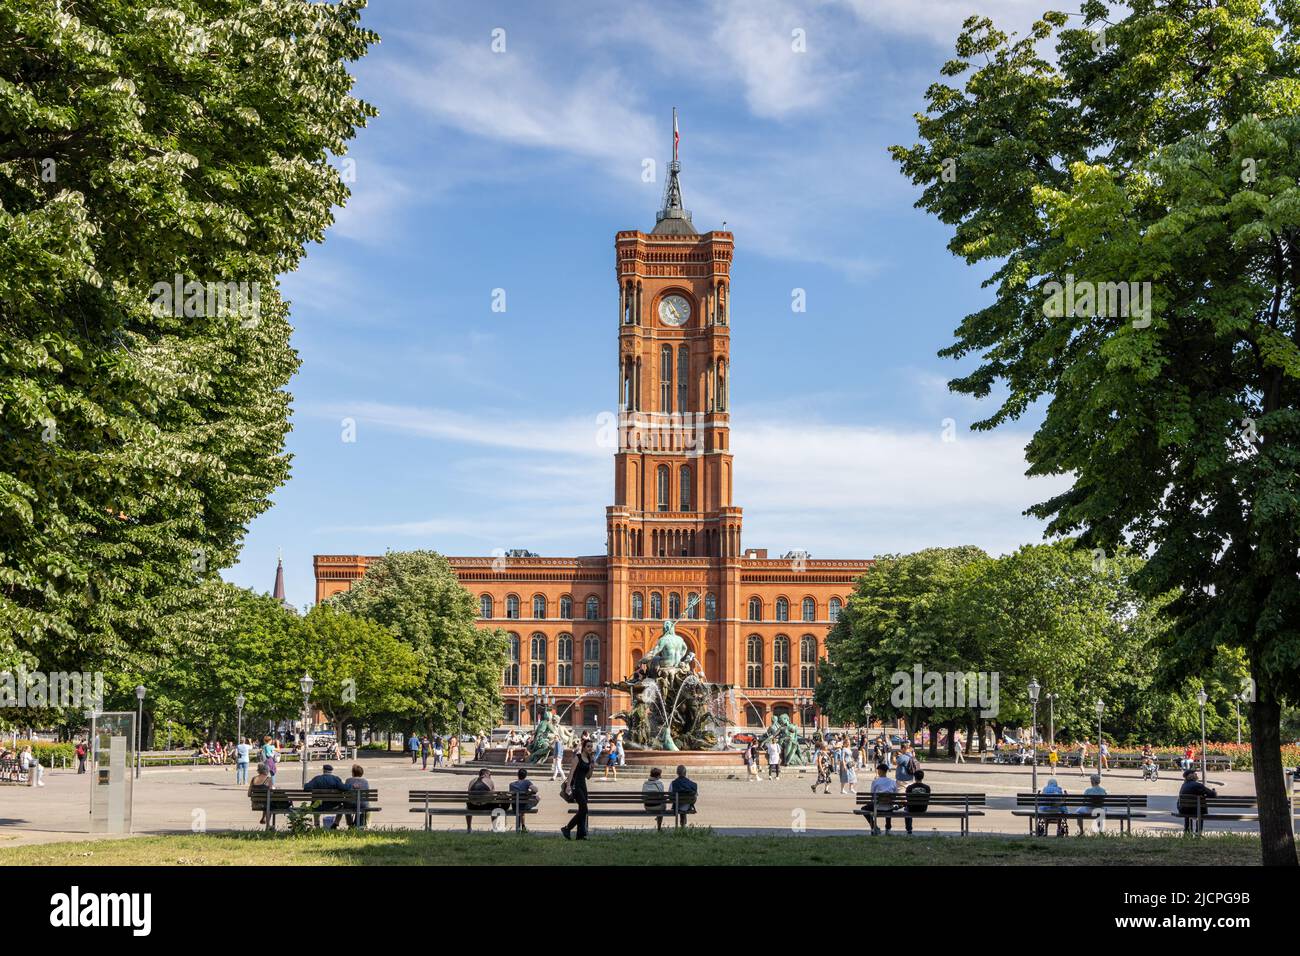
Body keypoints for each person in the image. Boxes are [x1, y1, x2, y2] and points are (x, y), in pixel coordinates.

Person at [561, 740, 594, 840]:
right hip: (576, 786)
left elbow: (588, 777)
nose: (590, 748)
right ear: (583, 747)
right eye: (588, 746)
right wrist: (568, 786)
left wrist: (592, 768)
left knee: (582, 810)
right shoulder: (578, 757)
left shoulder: (589, 759)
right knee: (584, 809)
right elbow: (571, 773)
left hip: (583, 786)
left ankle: (580, 835)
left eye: (591, 747)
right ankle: (567, 828)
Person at [304, 763, 346, 829]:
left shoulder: (317, 779)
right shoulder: (336, 779)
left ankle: (317, 825)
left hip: (318, 807)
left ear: (323, 770)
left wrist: (306, 784)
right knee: (343, 806)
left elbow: (306, 788)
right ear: (331, 771)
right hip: (334, 806)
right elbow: (344, 788)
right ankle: (336, 823)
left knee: (315, 804)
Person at [1177, 769, 1217, 834]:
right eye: (1195, 774)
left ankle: (1187, 832)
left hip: (1183, 809)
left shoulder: (1184, 785)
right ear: (1192, 776)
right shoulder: (1198, 785)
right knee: (1199, 810)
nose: (1197, 775)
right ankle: (1198, 832)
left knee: (1189, 807)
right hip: (1196, 811)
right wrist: (1214, 792)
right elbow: (1212, 795)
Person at [866, 763, 896, 835]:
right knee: (888, 806)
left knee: (864, 808)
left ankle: (874, 826)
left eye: (878, 770)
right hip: (889, 807)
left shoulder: (876, 781)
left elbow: (872, 795)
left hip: (877, 807)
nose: (878, 772)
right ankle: (888, 829)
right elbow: (895, 794)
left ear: (880, 771)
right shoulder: (892, 782)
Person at [342, 763, 370, 829]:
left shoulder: (348, 780)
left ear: (353, 773)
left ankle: (350, 824)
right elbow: (367, 794)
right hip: (362, 804)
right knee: (366, 805)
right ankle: (365, 824)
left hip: (350, 803)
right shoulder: (365, 781)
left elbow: (345, 793)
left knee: (345, 805)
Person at [904, 769, 931, 834]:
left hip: (911, 809)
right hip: (923, 808)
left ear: (914, 777)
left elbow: (908, 799)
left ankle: (909, 829)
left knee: (906, 809)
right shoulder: (927, 788)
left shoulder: (909, 787)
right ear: (922, 777)